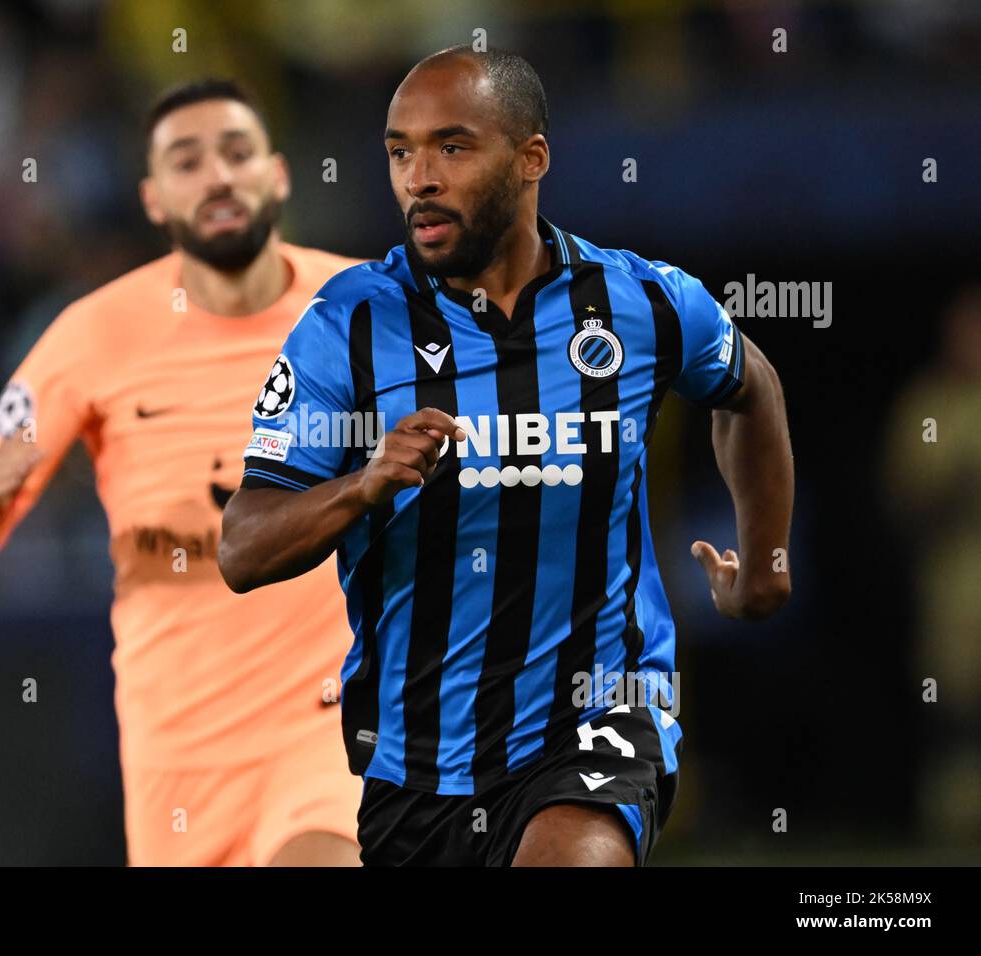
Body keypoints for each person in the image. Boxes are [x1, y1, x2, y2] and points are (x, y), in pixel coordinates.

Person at [219, 47, 793, 866]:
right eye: (399, 151)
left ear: (532, 159)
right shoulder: (346, 326)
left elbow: (751, 387)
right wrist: (364, 486)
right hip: (418, 756)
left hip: (598, 717)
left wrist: (765, 560)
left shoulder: (641, 302)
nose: (419, 177)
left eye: (451, 147)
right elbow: (242, 548)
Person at [0, 79, 363, 866]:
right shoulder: (92, 336)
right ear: (155, 199)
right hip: (179, 755)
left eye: (236, 153)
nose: (217, 177)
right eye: (187, 162)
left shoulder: (372, 310)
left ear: (279, 175)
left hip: (329, 727)